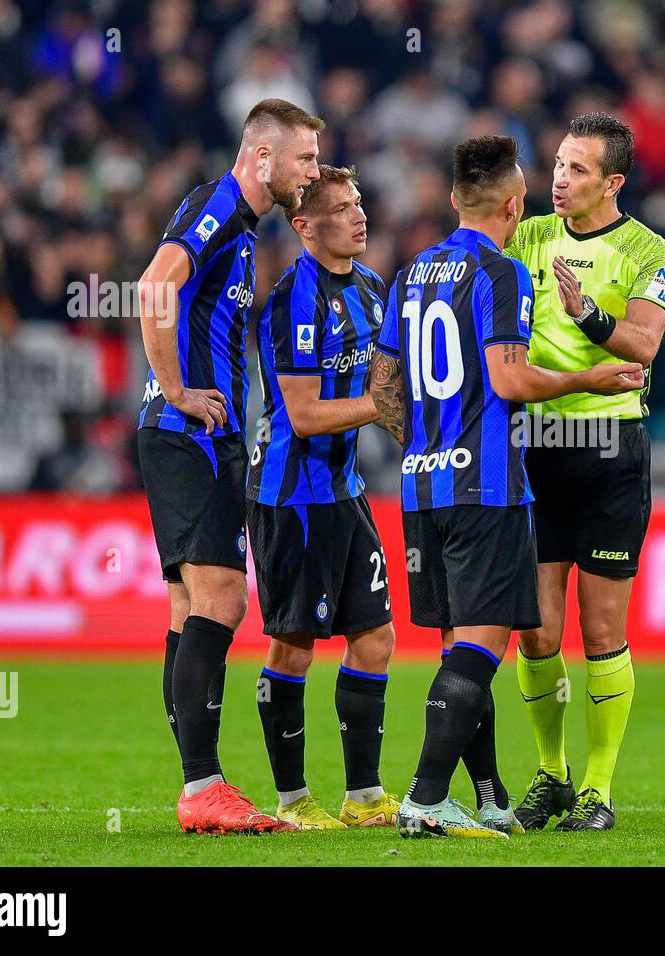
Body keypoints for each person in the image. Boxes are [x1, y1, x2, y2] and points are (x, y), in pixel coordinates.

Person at [368, 134, 643, 839]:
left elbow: (384, 386)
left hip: (420, 488)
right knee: (481, 649)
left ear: (455, 198)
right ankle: (426, 800)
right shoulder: (502, 273)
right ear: (516, 204)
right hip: (485, 489)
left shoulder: (409, 273)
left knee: (461, 643)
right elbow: (511, 380)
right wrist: (589, 376)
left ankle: (488, 795)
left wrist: (426, 446)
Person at [136, 98, 321, 835]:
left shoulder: (242, 228)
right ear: (265, 158)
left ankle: (199, 786)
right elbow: (154, 285)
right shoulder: (217, 204)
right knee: (222, 600)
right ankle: (201, 786)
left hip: (190, 434)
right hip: (191, 434)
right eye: (305, 158)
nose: (312, 173)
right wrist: (177, 390)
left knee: (189, 608)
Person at [504, 113, 665, 831]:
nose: (559, 179)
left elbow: (644, 345)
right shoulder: (527, 236)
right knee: (537, 631)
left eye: (577, 170)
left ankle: (599, 791)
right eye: (557, 164)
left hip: (610, 451)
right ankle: (551, 774)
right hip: (536, 446)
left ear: (612, 182)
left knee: (600, 628)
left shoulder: (650, 250)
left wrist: (588, 319)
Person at [247, 164, 399, 831]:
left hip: (345, 490)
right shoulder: (291, 301)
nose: (358, 216)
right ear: (305, 226)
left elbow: (386, 384)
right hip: (291, 496)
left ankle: (364, 798)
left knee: (376, 638)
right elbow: (304, 416)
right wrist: (384, 404)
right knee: (294, 646)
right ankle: (292, 799)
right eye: (340, 208)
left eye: (358, 203)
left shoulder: (371, 287)